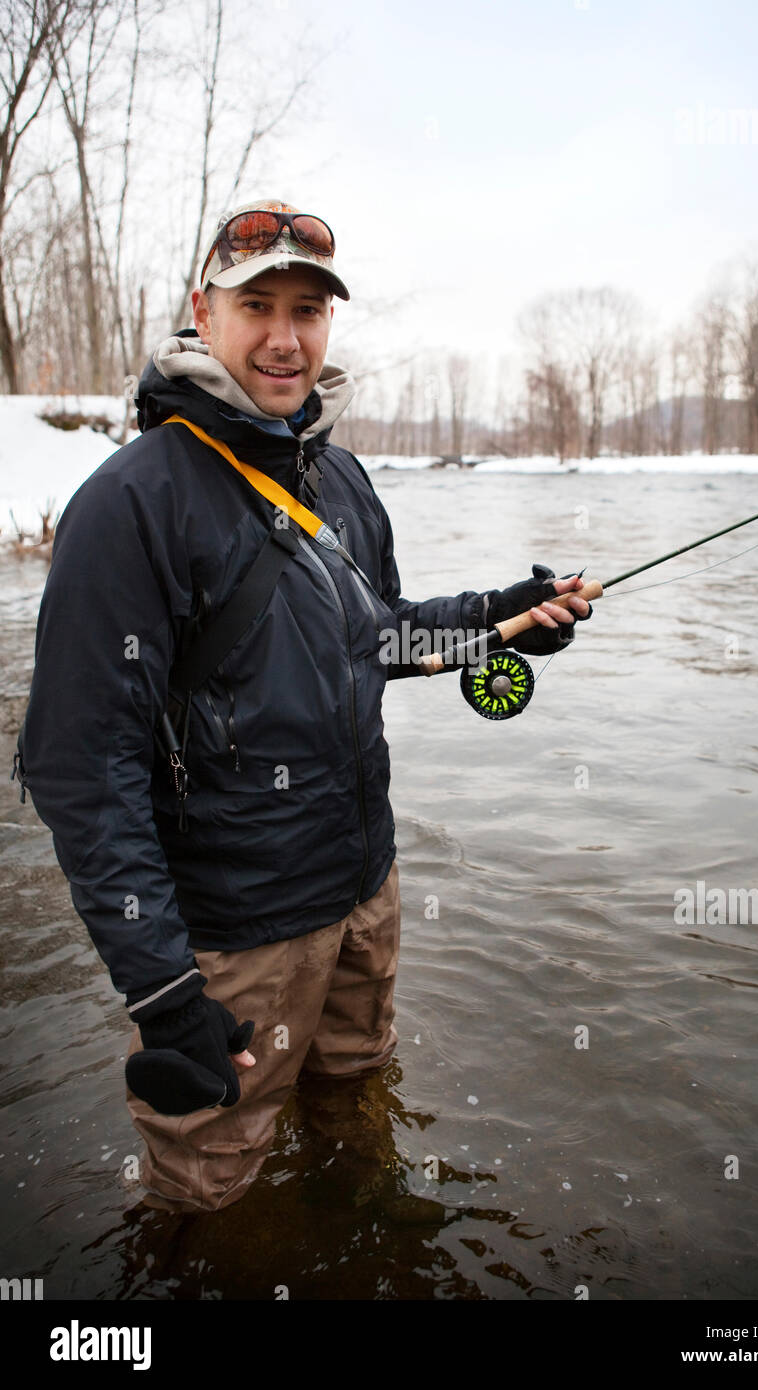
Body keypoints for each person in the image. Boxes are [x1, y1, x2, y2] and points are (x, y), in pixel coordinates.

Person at [12, 198, 591, 1213]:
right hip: (233, 933)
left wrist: (505, 616)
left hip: (362, 887)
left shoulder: (342, 478)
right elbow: (79, 768)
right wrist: (159, 987)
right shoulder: (130, 504)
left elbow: (376, 636)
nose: (285, 337)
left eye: (309, 309)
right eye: (257, 305)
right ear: (204, 310)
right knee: (210, 1189)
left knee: (357, 1105)